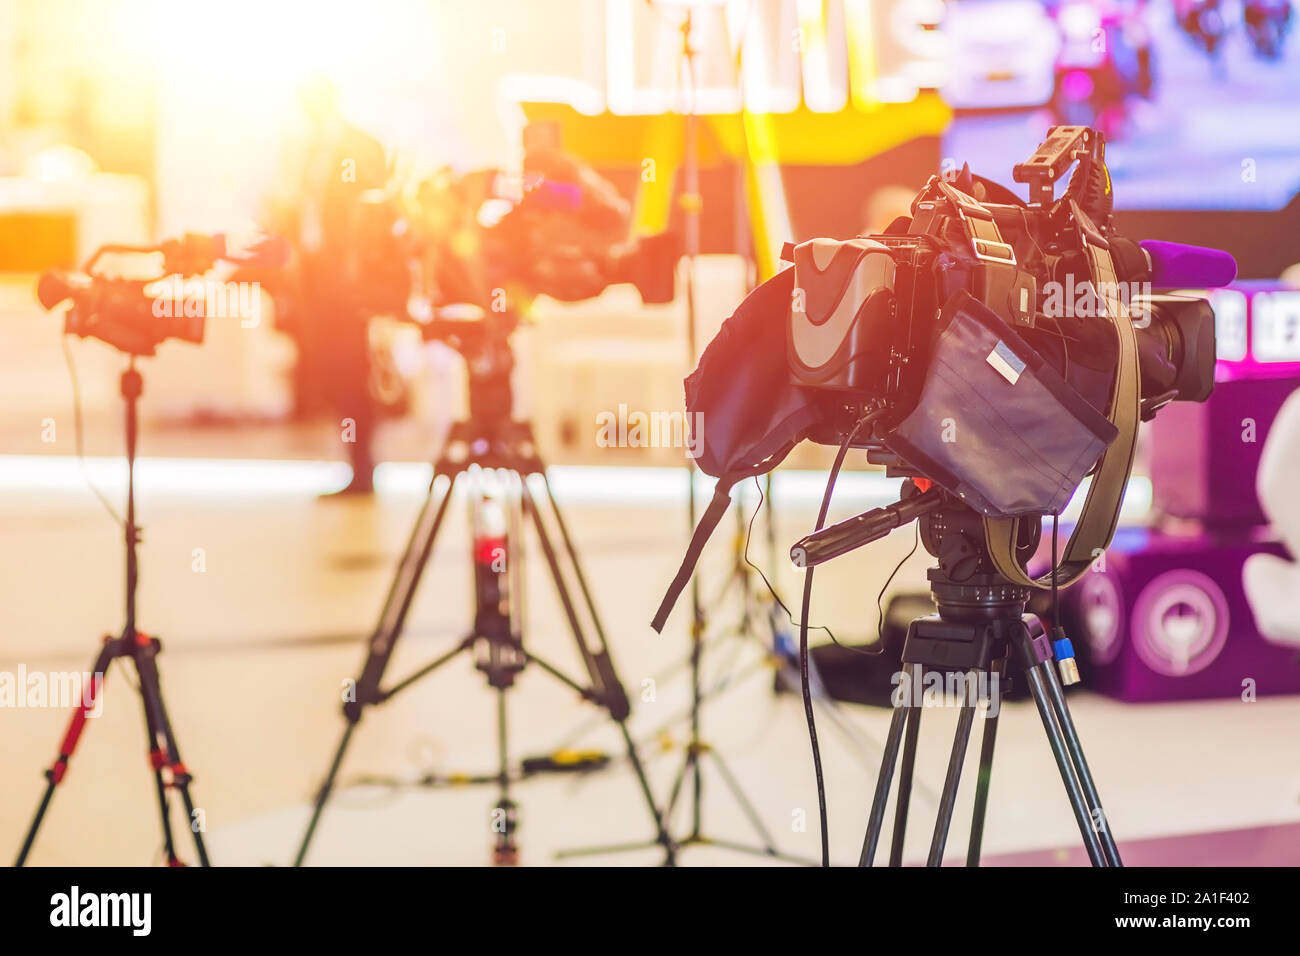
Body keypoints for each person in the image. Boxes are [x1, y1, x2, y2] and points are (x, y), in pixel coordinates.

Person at [270, 76, 388, 495]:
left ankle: (363, 468)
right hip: (316, 276)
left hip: (347, 278)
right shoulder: (308, 150)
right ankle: (354, 462)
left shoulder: (359, 146)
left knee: (351, 368)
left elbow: (374, 212)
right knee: (331, 368)